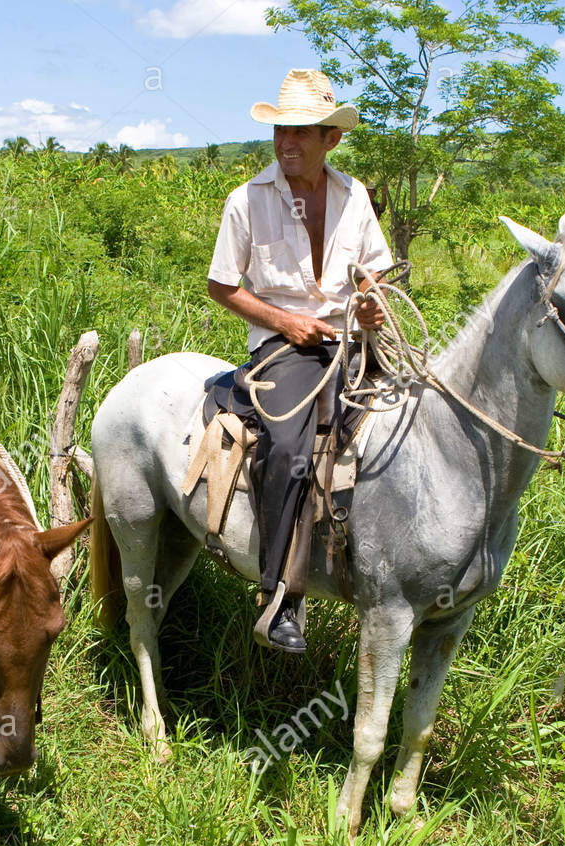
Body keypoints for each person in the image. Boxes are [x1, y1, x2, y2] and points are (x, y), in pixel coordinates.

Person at [207, 69, 393, 654]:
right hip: (283, 346)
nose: (287, 143)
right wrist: (285, 321)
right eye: (280, 132)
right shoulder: (247, 200)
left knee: (412, 419)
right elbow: (221, 286)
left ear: (330, 139)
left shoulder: (354, 195)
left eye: (301, 134)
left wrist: (369, 303)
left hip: (349, 341)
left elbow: (375, 270)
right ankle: (278, 597)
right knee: (288, 445)